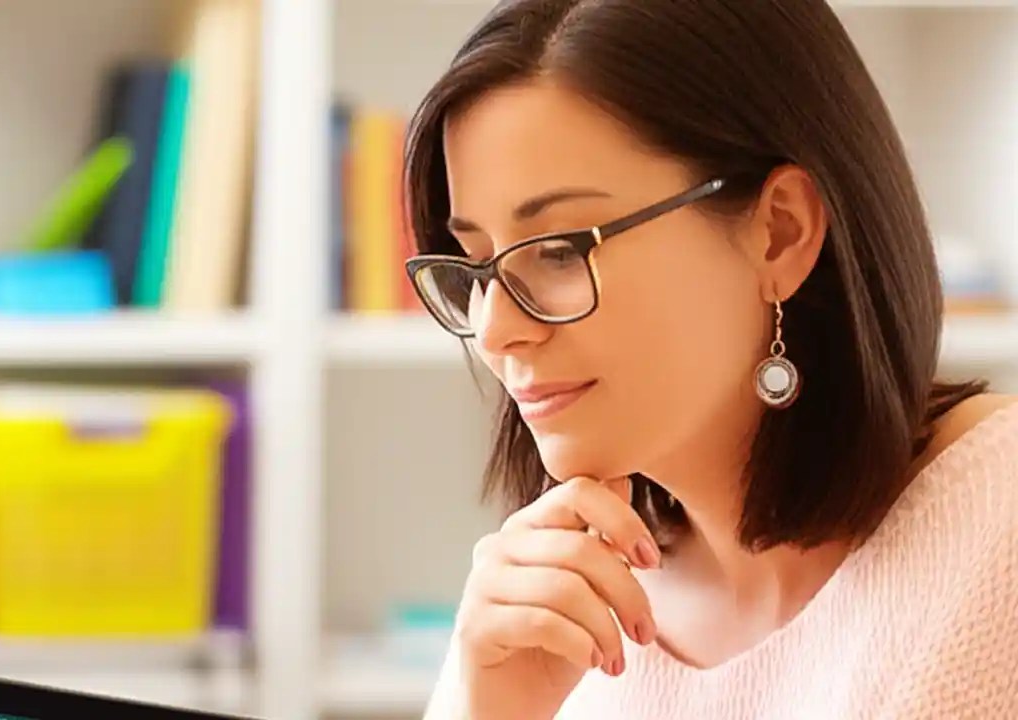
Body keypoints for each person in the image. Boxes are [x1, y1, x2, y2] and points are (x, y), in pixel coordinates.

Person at [401, 1, 1018, 718]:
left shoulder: (996, 527)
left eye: (561, 251)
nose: (496, 330)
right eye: (476, 263)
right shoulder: (550, 623)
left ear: (779, 234)